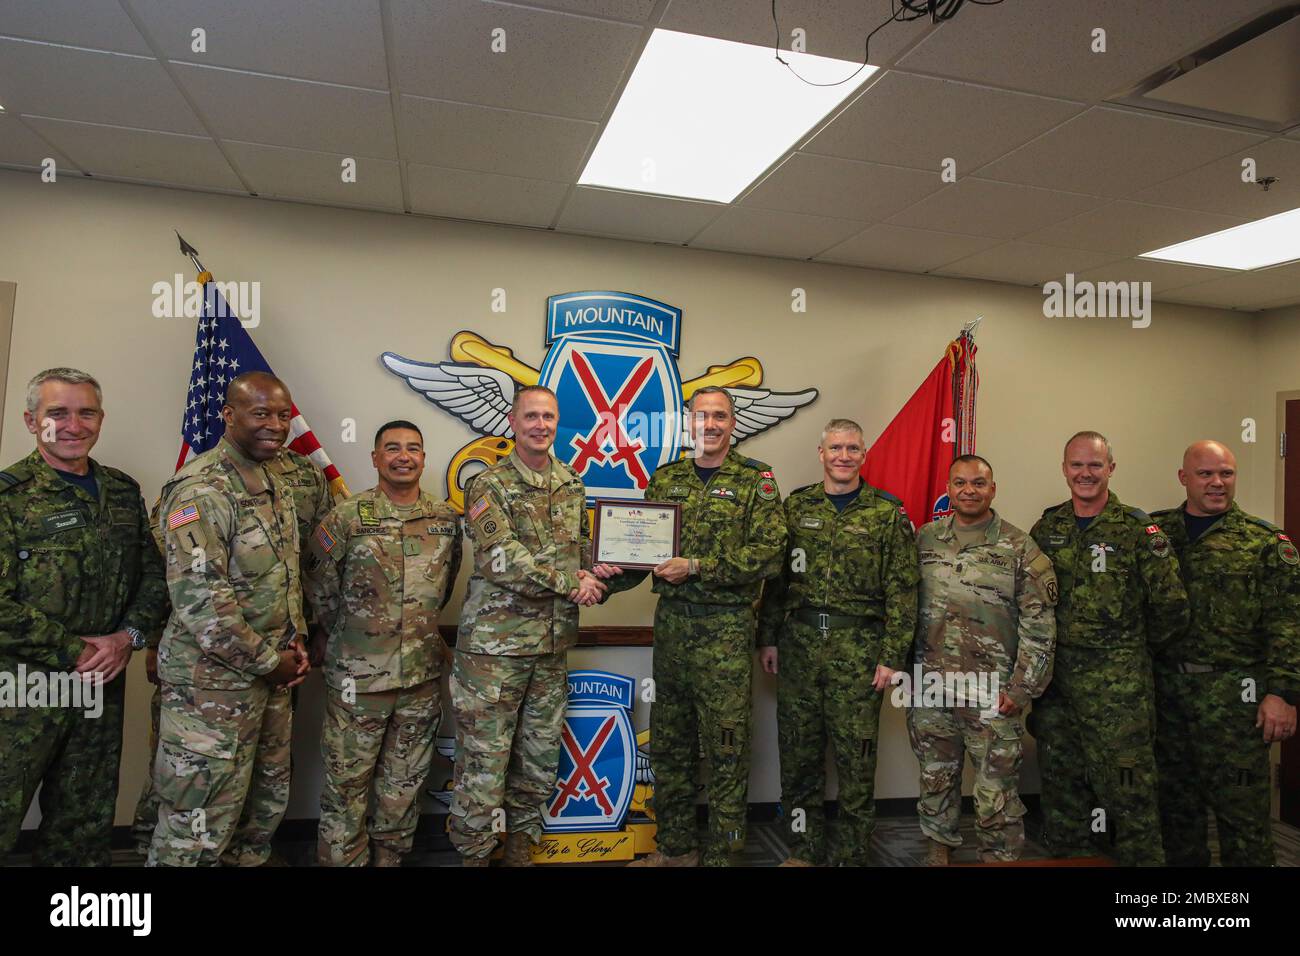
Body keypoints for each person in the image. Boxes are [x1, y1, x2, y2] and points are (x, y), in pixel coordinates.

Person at [602, 386, 786, 867]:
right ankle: (676, 849)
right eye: (701, 415)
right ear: (689, 422)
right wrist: (600, 578)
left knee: (727, 744)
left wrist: (699, 566)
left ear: (732, 422)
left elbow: (769, 554)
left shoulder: (756, 480)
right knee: (671, 743)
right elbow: (641, 554)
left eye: (720, 416)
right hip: (674, 630)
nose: (710, 424)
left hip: (725, 631)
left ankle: (724, 855)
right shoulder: (667, 479)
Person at [0, 367, 168, 866]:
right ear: (32, 421)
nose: (73, 425)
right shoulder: (8, 497)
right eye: (58, 413)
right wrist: (78, 651)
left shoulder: (120, 491)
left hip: (98, 690)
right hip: (21, 693)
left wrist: (128, 638)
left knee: (83, 826)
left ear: (100, 418)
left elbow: (154, 579)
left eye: (86, 412)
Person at [148, 371, 310, 867]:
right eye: (261, 413)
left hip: (268, 684)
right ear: (228, 415)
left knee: (257, 819)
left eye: (283, 414)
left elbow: (282, 577)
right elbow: (204, 606)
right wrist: (269, 661)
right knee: (195, 829)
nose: (276, 425)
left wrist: (295, 643)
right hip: (211, 691)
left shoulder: (274, 479)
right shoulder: (201, 490)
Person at [448, 385, 605, 866]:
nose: (541, 425)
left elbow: (582, 552)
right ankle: (473, 858)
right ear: (513, 423)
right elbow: (502, 560)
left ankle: (519, 854)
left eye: (549, 417)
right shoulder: (488, 484)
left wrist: (596, 574)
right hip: (494, 654)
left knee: (537, 765)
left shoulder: (572, 482)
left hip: (550, 650)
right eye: (531, 416)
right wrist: (569, 582)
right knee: (483, 768)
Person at [756, 418, 916, 867]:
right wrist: (767, 638)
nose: (843, 456)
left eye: (852, 449)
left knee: (856, 762)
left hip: (860, 652)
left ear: (864, 455)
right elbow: (777, 581)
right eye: (835, 448)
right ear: (821, 453)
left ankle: (852, 853)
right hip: (801, 647)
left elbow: (903, 590)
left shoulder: (886, 513)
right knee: (800, 757)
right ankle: (803, 850)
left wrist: (892, 657)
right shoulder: (796, 506)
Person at [305, 420, 462, 867]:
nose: (403, 456)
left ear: (424, 458)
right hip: (358, 679)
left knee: (404, 783)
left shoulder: (445, 519)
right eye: (391, 448)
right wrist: (344, 632)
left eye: (413, 448)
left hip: (421, 677)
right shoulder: (346, 518)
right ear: (375, 458)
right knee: (346, 785)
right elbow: (318, 582)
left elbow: (444, 586)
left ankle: (389, 861)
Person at [1028, 430, 1187, 866]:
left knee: (1128, 789)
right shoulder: (1049, 526)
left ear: (1111, 469)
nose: (1085, 473)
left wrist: (1126, 650)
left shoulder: (1138, 530)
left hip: (1119, 687)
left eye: (1095, 465)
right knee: (1062, 786)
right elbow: (1032, 598)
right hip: (1058, 685)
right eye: (1077, 465)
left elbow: (1171, 608)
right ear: (1064, 469)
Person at [1151, 440, 1299, 866]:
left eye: (1227, 474)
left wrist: (1283, 694)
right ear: (1184, 478)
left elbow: (1289, 621)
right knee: (1176, 817)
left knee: (1244, 819)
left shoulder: (1265, 542)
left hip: (1237, 700)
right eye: (1205, 474)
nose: (1217, 483)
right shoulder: (1156, 535)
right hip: (1169, 696)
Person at [908, 454, 1056, 864]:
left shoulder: (1019, 546)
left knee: (996, 794)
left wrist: (1022, 688)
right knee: (935, 780)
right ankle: (939, 852)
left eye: (978, 483)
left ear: (993, 489)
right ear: (949, 488)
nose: (968, 491)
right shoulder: (924, 540)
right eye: (960, 483)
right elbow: (901, 608)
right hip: (932, 688)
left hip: (993, 692)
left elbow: (1040, 624)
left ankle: (998, 858)